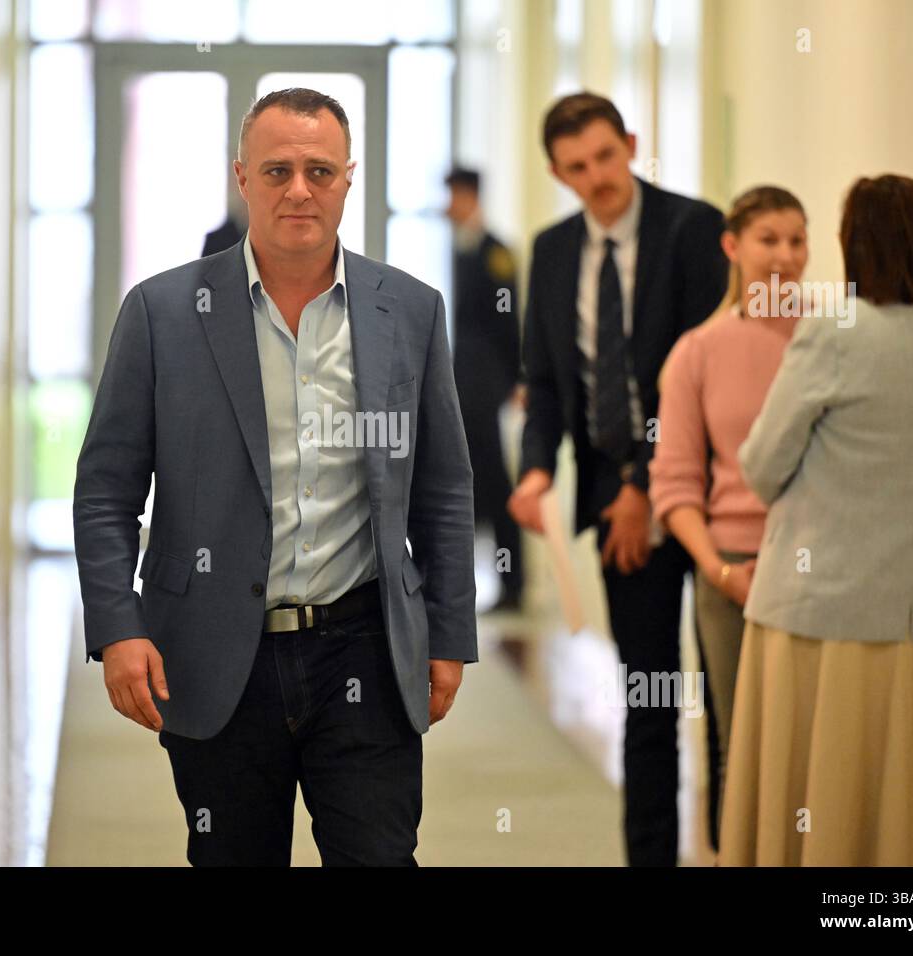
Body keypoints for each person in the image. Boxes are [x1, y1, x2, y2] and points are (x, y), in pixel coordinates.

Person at [73, 88, 478, 866]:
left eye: (320, 170)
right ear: (242, 177)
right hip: (217, 653)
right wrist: (118, 627)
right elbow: (105, 490)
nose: (300, 189)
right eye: (279, 169)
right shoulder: (162, 312)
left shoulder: (411, 313)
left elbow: (443, 489)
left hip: (362, 648)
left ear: (348, 179)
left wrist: (451, 632)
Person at [721, 174, 913, 866]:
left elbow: (761, 465)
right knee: (906, 802)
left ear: (852, 246)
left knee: (817, 794)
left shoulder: (835, 331)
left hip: (820, 610)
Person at [508, 92, 727, 866]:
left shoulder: (694, 229)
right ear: (557, 172)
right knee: (650, 694)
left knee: (726, 690)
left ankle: (734, 848)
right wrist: (536, 471)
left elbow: (699, 376)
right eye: (577, 166)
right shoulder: (555, 249)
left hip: (713, 491)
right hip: (612, 500)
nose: (597, 177)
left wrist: (645, 483)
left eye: (605, 156)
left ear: (629, 144)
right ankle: (652, 858)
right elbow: (545, 382)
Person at [648, 185, 808, 852]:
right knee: (737, 741)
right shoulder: (698, 350)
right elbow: (676, 484)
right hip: (732, 574)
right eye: (769, 239)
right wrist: (717, 568)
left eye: (797, 240)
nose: (785, 256)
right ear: (733, 247)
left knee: (808, 744)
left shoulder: (829, 336)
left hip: (820, 569)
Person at [444, 166, 525, 610]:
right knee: (470, 484)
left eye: (454, 196)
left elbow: (507, 319)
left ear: (470, 196)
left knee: (494, 484)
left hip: (486, 385)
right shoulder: (462, 248)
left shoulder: (495, 253)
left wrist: (515, 378)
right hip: (463, 384)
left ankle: (513, 584)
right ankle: (466, 583)